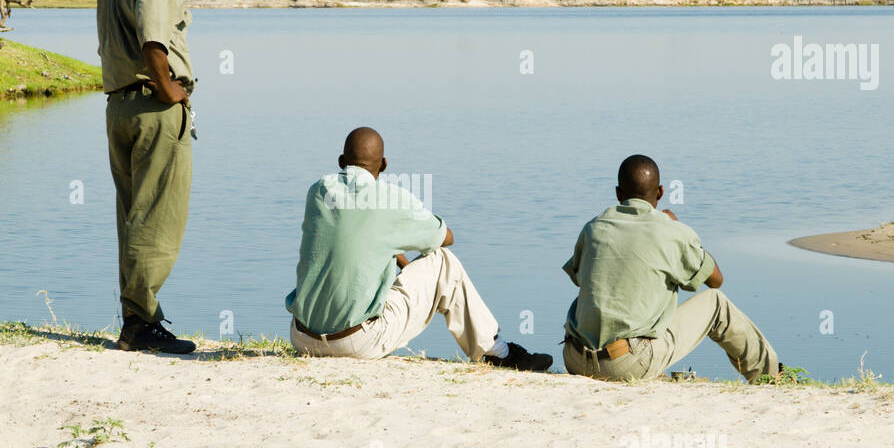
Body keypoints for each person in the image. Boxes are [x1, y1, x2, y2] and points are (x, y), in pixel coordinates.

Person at [286, 127, 551, 371]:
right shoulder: (390, 200)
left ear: (341, 162)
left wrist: (399, 256)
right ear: (385, 164)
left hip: (302, 337)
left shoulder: (318, 192)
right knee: (443, 262)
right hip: (356, 343)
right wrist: (407, 247)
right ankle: (496, 351)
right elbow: (445, 237)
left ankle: (494, 349)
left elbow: (357, 240)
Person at [562, 154, 781, 383]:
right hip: (628, 364)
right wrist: (677, 229)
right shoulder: (670, 232)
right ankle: (770, 376)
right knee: (717, 304)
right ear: (660, 192)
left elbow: (580, 277)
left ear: (618, 193)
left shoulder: (593, 228)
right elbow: (715, 280)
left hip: (575, 360)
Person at [95, 0, 198, 354]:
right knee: (158, 218)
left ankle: (136, 319)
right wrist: (169, 87)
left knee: (132, 217)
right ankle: (141, 323)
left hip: (119, 108)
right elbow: (154, 41)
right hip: (154, 110)